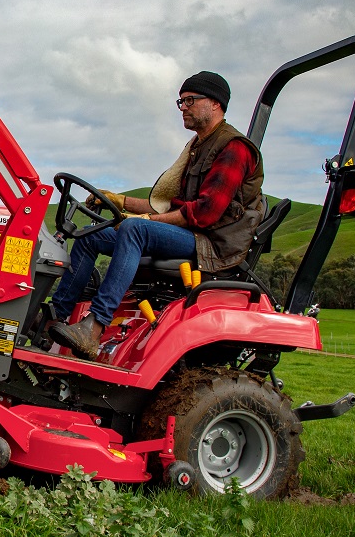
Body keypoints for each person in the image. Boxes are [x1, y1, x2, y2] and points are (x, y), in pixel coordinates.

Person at [49, 71, 266, 359]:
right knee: (92, 236)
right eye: (181, 102)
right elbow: (168, 207)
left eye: (190, 100)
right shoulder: (198, 148)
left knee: (134, 230)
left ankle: (95, 326)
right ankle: (56, 316)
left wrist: (145, 222)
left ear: (215, 103)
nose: (184, 108)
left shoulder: (234, 148)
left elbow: (204, 213)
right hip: (190, 231)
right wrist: (120, 200)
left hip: (212, 244)